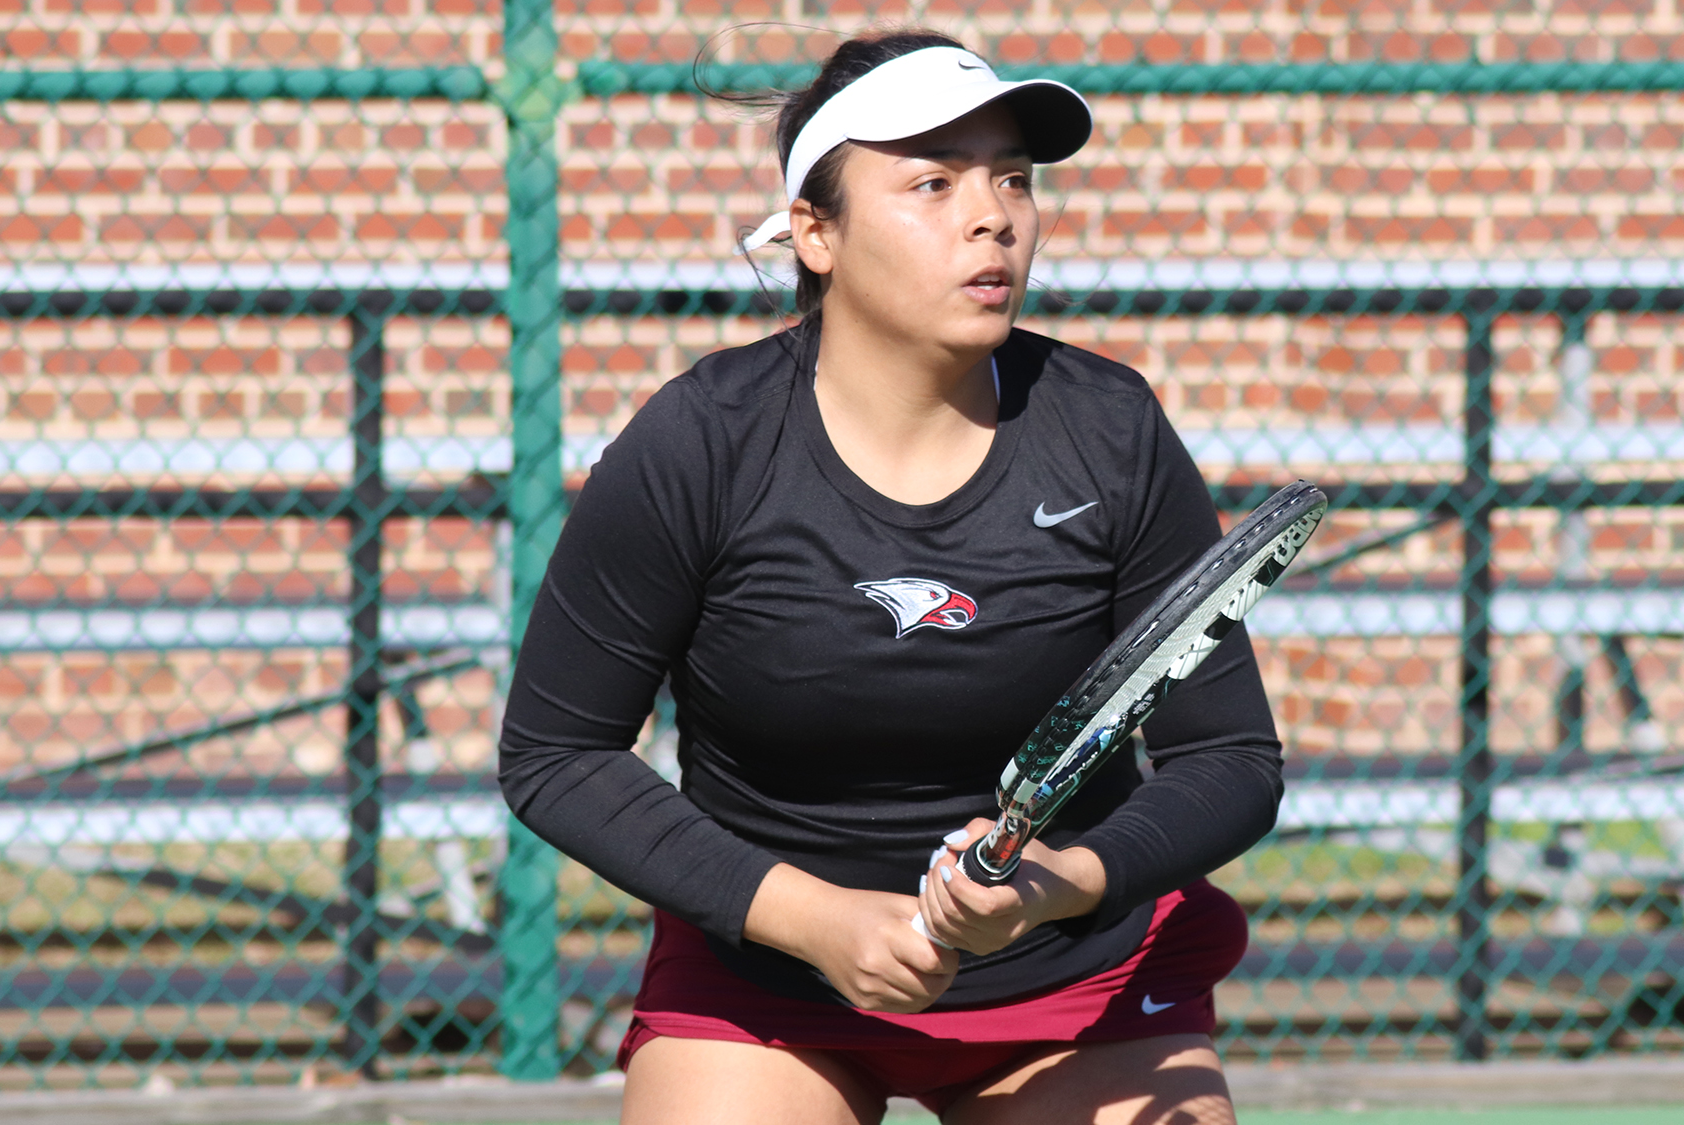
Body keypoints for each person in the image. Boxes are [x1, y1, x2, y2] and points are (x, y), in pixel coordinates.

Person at [498, 28, 1286, 1125]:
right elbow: (555, 754)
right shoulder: (699, 444)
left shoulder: (1110, 432)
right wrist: (815, 920)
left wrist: (1062, 883)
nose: (992, 215)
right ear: (814, 233)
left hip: (1076, 976)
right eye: (931, 181)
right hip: (768, 981)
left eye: (1012, 178)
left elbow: (1230, 758)